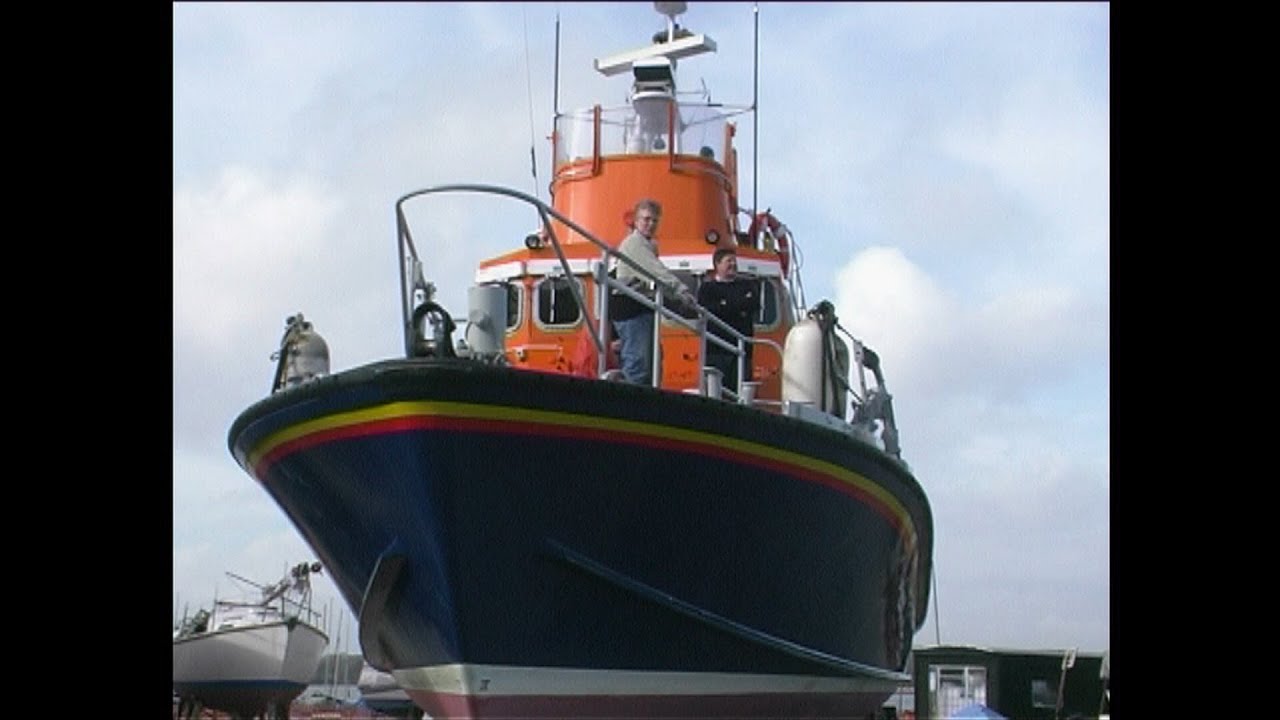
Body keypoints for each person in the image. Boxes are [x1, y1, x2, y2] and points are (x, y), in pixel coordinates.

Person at [611, 198, 696, 385]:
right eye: (646, 219)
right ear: (636, 220)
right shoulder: (634, 244)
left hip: (642, 308)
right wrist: (681, 291)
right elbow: (655, 270)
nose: (650, 224)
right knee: (638, 364)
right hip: (631, 310)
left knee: (650, 363)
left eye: (654, 220)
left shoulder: (648, 245)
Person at [696, 247, 759, 394]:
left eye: (734, 261)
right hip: (716, 351)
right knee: (715, 391)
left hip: (742, 352)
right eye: (728, 261)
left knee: (740, 392)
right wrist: (738, 307)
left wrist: (725, 305)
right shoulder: (707, 288)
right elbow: (708, 309)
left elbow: (753, 304)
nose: (733, 264)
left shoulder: (747, 285)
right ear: (717, 264)